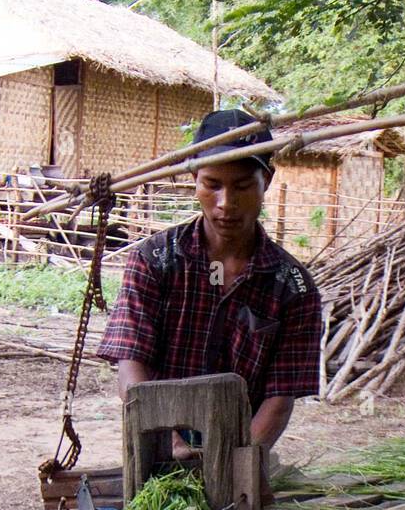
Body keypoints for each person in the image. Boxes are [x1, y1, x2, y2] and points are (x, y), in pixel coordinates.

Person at [96, 108, 323, 464]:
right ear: (194, 179)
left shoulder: (293, 287)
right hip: (155, 437)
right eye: (212, 185)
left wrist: (232, 463)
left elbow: (280, 399)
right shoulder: (155, 261)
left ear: (268, 180)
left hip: (242, 445)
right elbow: (131, 368)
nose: (226, 204)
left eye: (243, 186)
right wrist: (170, 444)